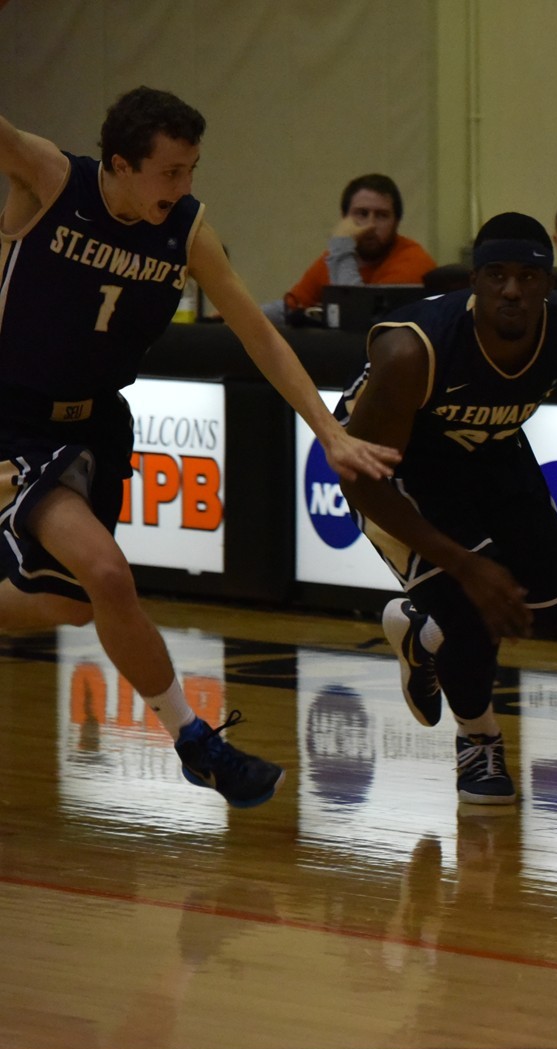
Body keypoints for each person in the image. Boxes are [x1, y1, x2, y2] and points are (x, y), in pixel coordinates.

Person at [0, 87, 399, 807]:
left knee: (71, 605)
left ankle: (194, 743)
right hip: (13, 415)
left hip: (93, 424)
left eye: (192, 170)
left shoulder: (185, 230)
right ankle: (197, 745)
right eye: (171, 172)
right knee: (109, 574)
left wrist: (330, 430)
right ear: (119, 165)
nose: (184, 187)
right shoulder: (50, 178)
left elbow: (260, 335)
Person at [336, 212, 557, 803]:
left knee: (543, 611)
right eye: (496, 275)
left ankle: (421, 632)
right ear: (472, 283)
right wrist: (461, 563)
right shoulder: (412, 352)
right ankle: (478, 741)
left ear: (548, 285)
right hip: (392, 462)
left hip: (491, 447)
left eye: (528, 277)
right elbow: (361, 479)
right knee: (473, 609)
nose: (512, 290)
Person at [263, 173, 437, 325]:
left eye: (382, 216)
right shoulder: (337, 257)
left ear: (397, 222)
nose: (371, 225)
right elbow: (290, 309)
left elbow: (358, 319)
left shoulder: (413, 261)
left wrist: (341, 244)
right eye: (361, 214)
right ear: (344, 219)